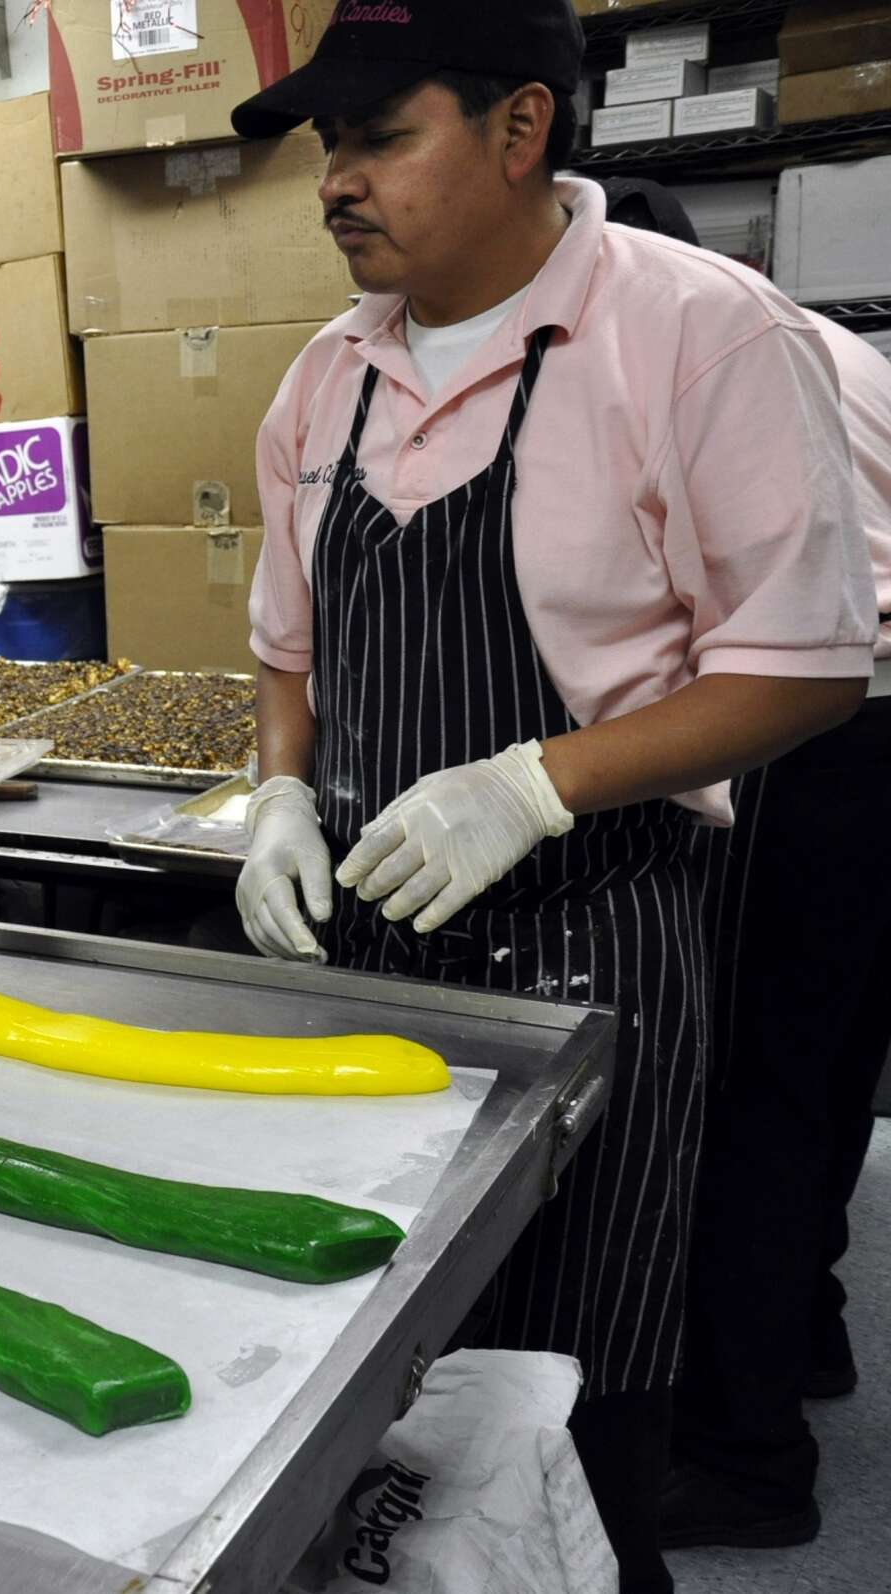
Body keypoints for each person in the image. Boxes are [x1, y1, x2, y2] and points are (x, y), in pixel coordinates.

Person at [224, 6, 876, 1590]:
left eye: (383, 137)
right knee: (370, 1357)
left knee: (578, 1384)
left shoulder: (702, 336)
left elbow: (809, 667)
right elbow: (284, 648)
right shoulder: (325, 381)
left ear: (522, 128)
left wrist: (533, 781)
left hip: (605, 952)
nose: (336, 183)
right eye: (329, 147)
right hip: (378, 946)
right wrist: (280, 798)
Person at [598, 177, 891, 1553]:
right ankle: (807, 1335)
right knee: (826, 1063)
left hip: (810, 736)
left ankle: (740, 1455)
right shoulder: (828, 339)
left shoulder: (688, 357)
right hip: (880, 739)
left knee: (740, 1094)